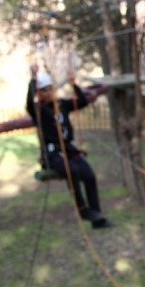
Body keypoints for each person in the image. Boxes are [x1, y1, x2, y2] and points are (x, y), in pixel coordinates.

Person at [28, 64, 114, 230]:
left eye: (49, 89)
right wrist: (33, 79)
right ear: (38, 93)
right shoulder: (38, 110)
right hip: (52, 154)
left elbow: (81, 102)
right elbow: (28, 103)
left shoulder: (61, 104)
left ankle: (97, 217)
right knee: (72, 170)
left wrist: (73, 84)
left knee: (89, 176)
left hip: (68, 150)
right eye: (43, 91)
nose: (48, 93)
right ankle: (82, 209)